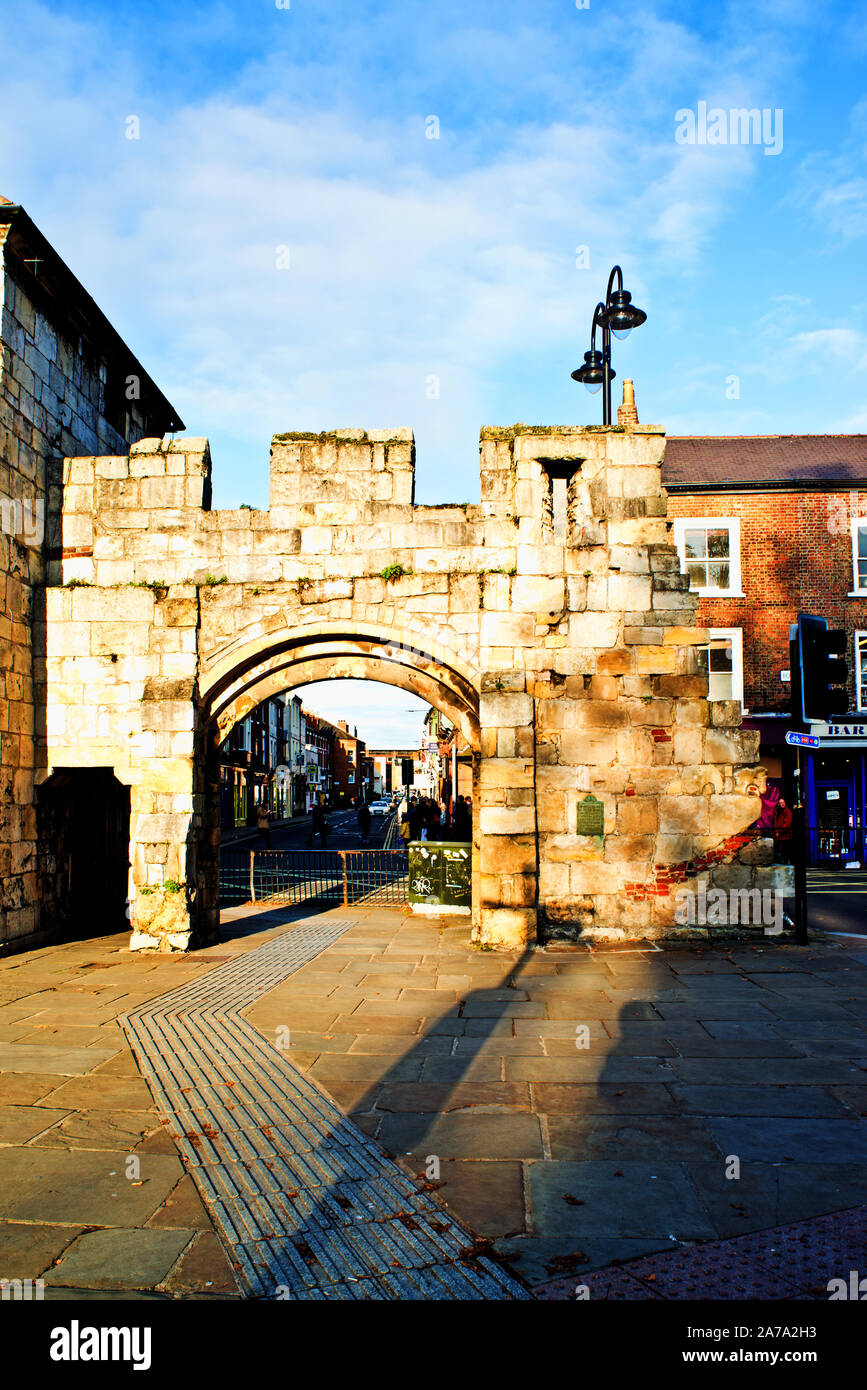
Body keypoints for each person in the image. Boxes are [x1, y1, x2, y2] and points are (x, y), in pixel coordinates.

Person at [773, 797, 793, 862]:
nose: (782, 804)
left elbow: (787, 824)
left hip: (785, 835)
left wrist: (779, 832)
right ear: (778, 804)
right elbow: (775, 822)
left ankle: (786, 862)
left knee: (785, 850)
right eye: (780, 803)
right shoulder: (777, 812)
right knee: (779, 851)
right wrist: (776, 831)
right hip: (779, 835)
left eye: (783, 802)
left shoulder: (787, 812)